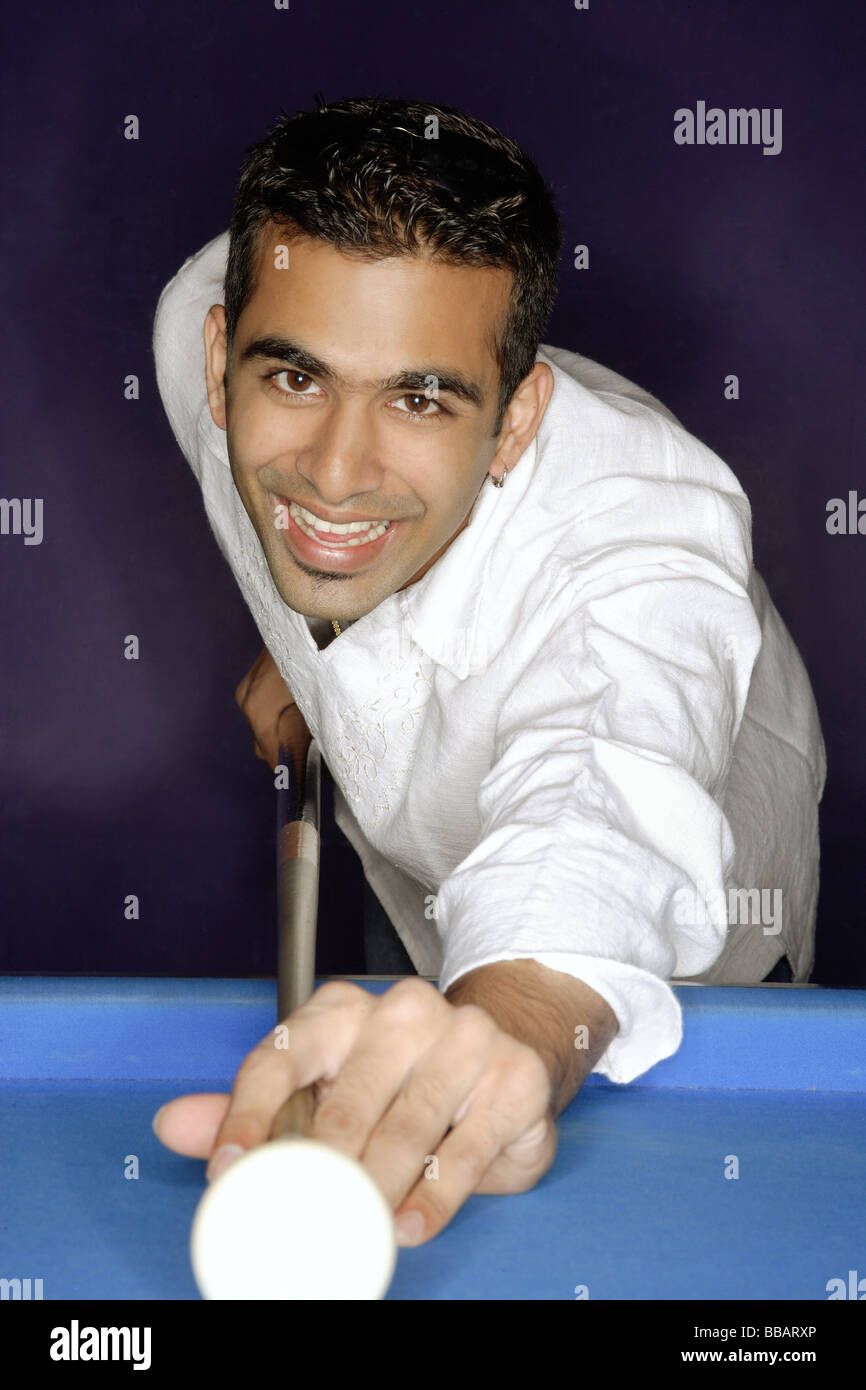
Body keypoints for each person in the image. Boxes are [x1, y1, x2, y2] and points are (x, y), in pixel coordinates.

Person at [151, 96, 826, 1248]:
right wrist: (309, 635)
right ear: (224, 363)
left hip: (665, 957)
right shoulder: (190, 329)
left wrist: (512, 1026)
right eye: (295, 380)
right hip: (415, 861)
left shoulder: (642, 542)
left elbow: (603, 800)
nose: (334, 468)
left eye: (419, 399)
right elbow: (319, 502)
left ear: (512, 423)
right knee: (405, 1036)